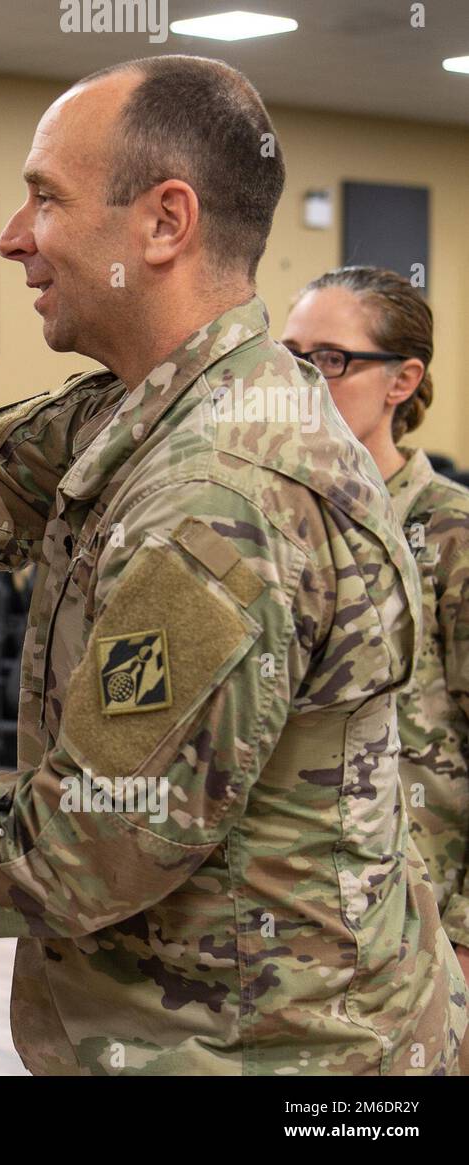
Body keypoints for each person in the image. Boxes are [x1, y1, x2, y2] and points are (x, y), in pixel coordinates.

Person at [0, 56, 468, 1073]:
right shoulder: (146, 405)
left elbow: (78, 852)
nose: (11, 235)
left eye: (44, 197)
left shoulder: (220, 502)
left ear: (165, 222)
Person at [283, 266, 469, 987]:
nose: (303, 381)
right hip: (293, 934)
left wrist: (461, 942)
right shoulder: (274, 520)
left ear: (401, 380)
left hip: (420, 939)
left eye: (330, 360)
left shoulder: (449, 532)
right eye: (291, 358)